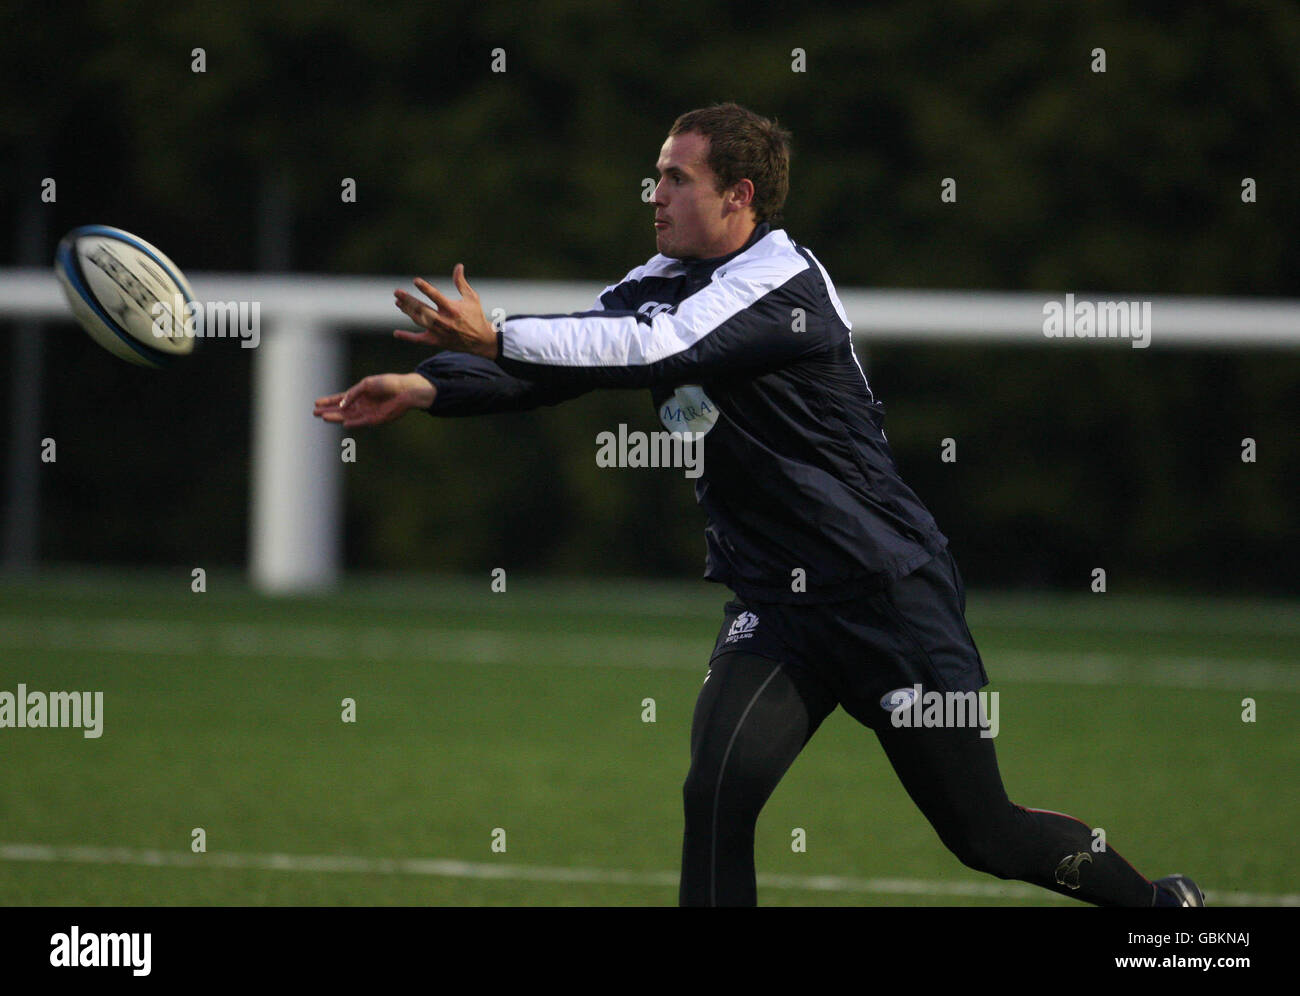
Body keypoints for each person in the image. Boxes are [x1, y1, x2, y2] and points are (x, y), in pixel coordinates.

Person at [313, 102, 1202, 908]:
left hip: (887, 593)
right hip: (780, 605)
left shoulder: (781, 284)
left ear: (739, 195)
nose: (653, 191)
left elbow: (648, 351)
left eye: (675, 177)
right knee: (718, 790)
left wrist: (500, 329)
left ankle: (1164, 916)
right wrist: (429, 387)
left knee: (984, 834)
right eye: (656, 172)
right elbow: (567, 364)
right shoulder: (661, 277)